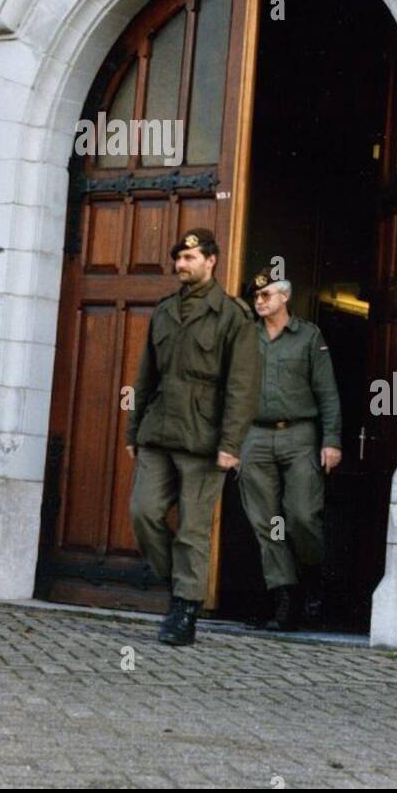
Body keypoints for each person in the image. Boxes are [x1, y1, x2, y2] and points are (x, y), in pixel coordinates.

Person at [127, 228, 261, 646]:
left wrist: (230, 445)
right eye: (178, 260)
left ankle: (185, 610)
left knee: (192, 531)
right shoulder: (165, 311)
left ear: (211, 261)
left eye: (190, 258)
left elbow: (243, 387)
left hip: (204, 440)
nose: (181, 265)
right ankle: (180, 586)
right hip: (158, 432)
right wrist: (134, 430)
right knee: (143, 513)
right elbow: (146, 374)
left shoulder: (233, 316)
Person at [238, 270, 342, 631]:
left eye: (266, 294)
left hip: (299, 435)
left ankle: (313, 578)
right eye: (256, 297)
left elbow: (327, 391)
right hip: (254, 435)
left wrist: (331, 440)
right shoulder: (245, 337)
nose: (260, 301)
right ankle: (286, 599)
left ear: (284, 296)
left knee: (300, 515)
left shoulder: (308, 336)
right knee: (266, 522)